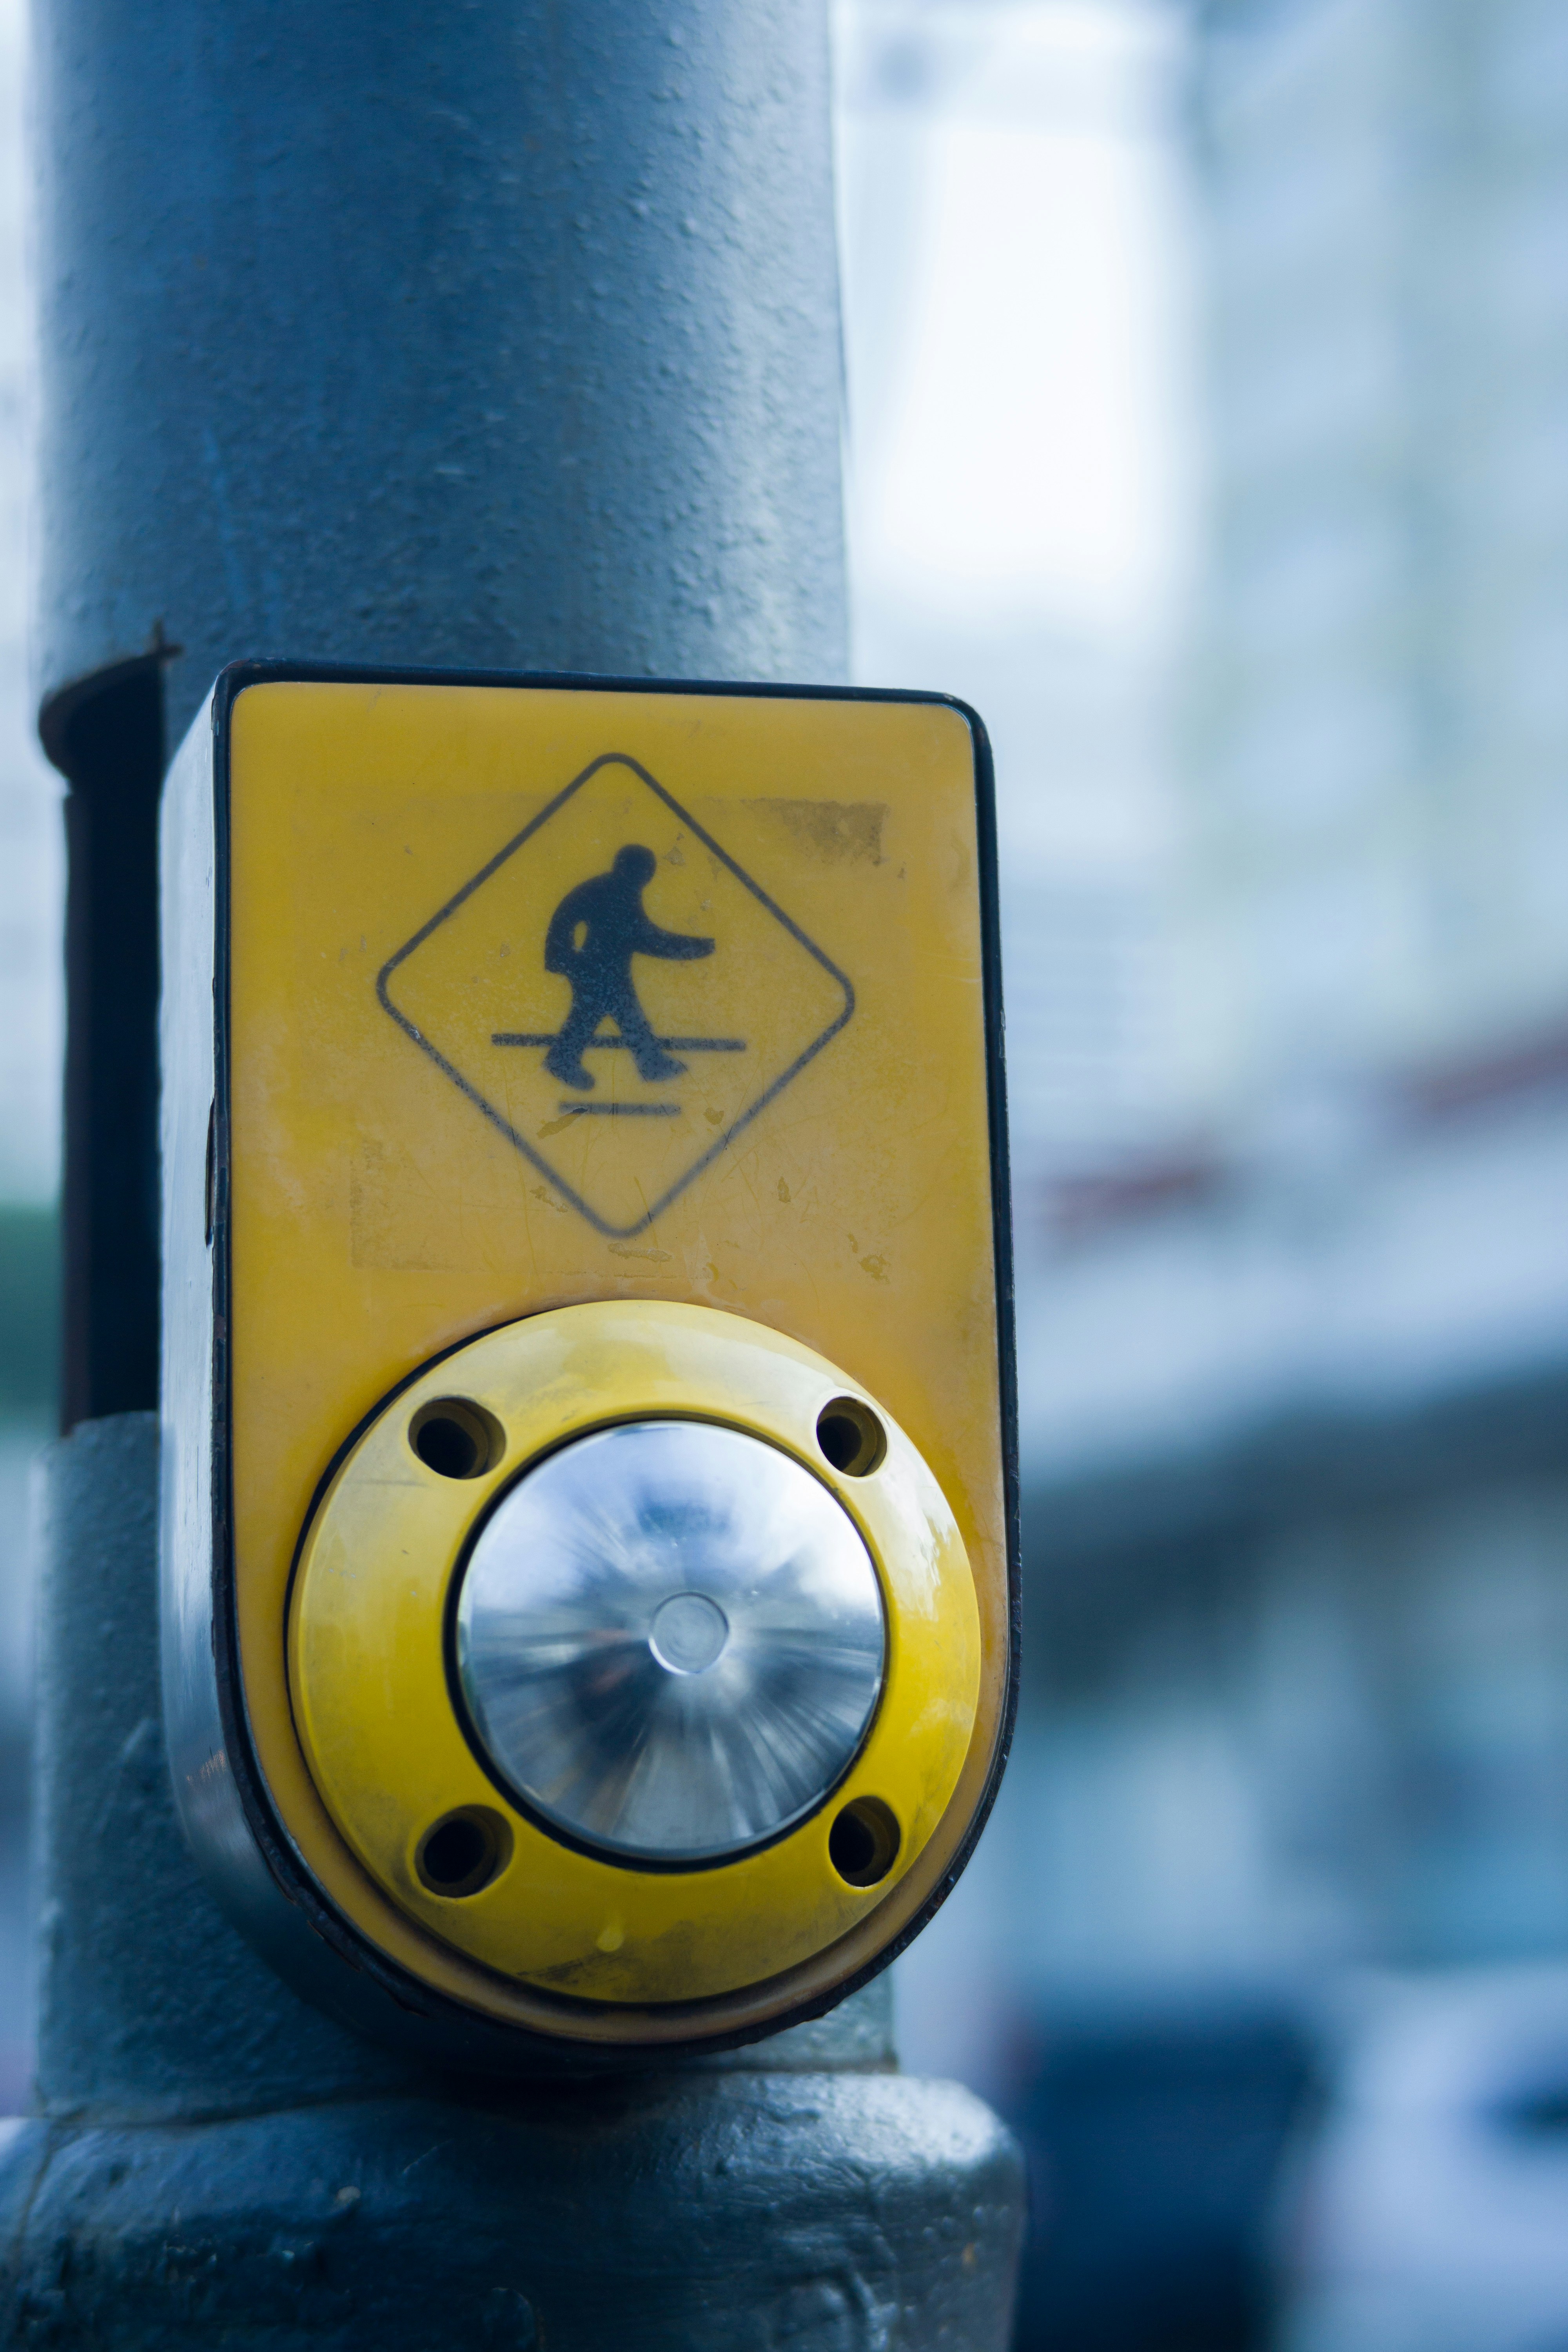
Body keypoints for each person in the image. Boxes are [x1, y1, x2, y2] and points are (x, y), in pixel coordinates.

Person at [543, 844, 714, 1091]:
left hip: (601, 963)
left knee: (604, 1012)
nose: (647, 877)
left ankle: (648, 1063)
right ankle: (647, 1064)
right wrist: (696, 948)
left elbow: (635, 934)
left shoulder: (614, 888)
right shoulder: (616, 892)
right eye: (645, 871)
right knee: (615, 1011)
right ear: (631, 870)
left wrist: (563, 958)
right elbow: (644, 937)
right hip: (596, 965)